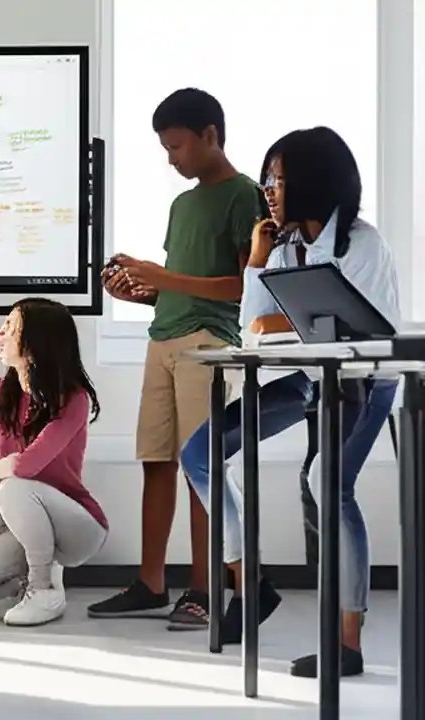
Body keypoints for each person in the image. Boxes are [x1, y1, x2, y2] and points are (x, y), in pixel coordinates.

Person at [180, 127, 399, 678]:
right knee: (200, 454)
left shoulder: (361, 244)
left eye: (278, 177)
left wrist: (286, 322)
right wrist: (257, 260)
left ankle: (347, 642)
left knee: (328, 479)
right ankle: (249, 585)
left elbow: (353, 332)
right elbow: (254, 329)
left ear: (314, 180)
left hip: (364, 381)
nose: (268, 188)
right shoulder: (285, 247)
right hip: (306, 379)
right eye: (268, 177)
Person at [90, 89, 265, 630]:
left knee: (199, 470)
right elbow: (182, 287)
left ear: (211, 134)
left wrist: (163, 277)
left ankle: (204, 588)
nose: (172, 158)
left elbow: (245, 287)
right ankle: (151, 583)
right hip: (163, 339)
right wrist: (141, 292)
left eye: (178, 146)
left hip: (209, 345)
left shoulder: (244, 195)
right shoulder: (182, 205)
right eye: (166, 148)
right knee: (157, 462)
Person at [0, 298, 108, 626]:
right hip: (15, 518)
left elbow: (27, 466)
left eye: (11, 327)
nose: (0, 333)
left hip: (76, 528)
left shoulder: (73, 399)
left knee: (14, 487)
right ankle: (25, 576)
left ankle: (43, 588)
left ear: (39, 340)